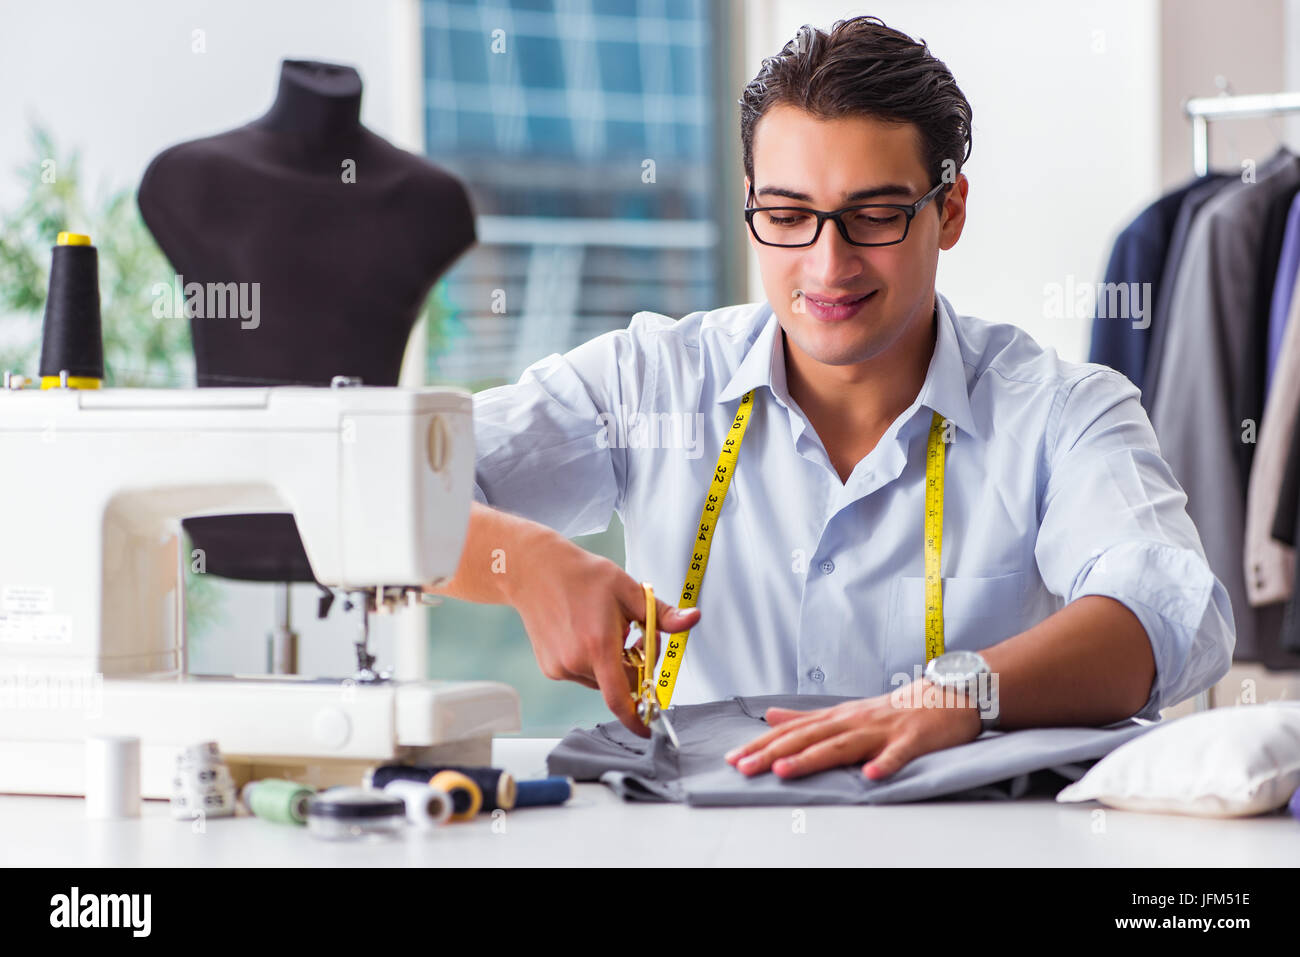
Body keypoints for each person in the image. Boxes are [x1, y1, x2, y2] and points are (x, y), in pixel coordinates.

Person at [425, 16, 1234, 782]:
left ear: (948, 210)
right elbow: (376, 491)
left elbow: (1169, 612)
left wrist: (961, 693)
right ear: (750, 209)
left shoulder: (1062, 412)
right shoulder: (651, 381)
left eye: (874, 215)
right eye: (787, 215)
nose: (827, 263)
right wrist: (521, 563)